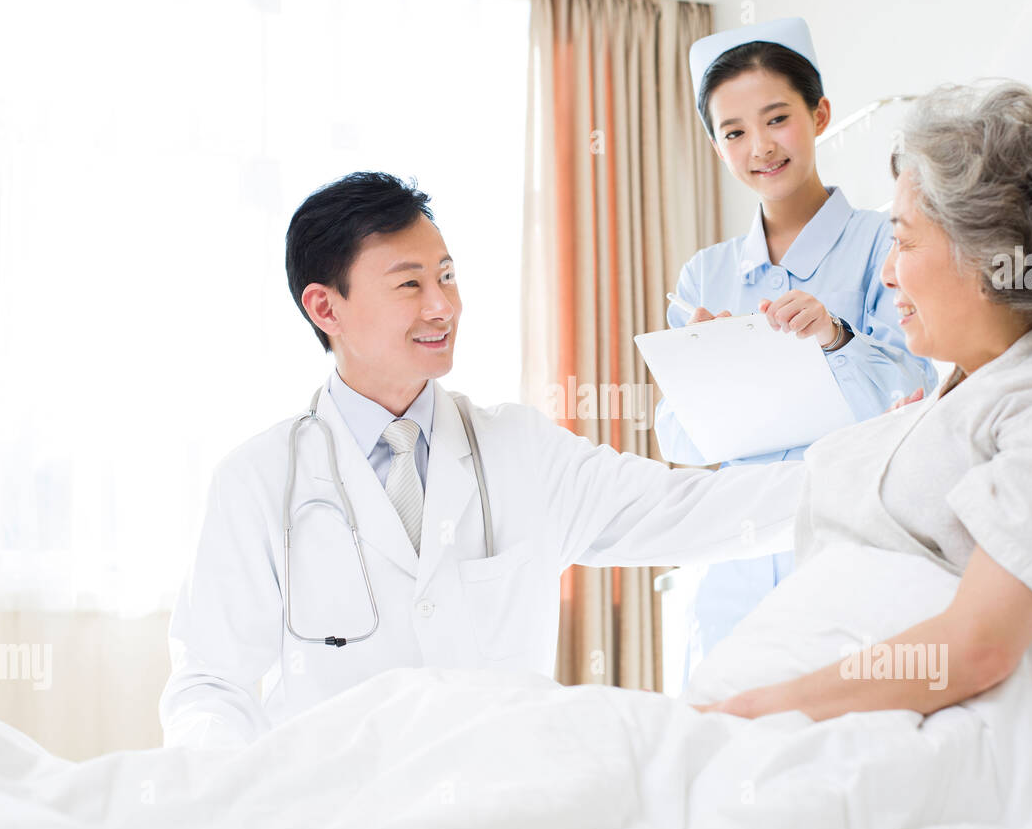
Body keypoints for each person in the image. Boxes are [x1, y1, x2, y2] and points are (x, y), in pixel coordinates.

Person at [159, 171, 805, 750]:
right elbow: (211, 686)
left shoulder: (520, 449)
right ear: (326, 307)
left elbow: (693, 511)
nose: (443, 305)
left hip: (498, 803)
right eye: (409, 284)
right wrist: (232, 798)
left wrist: (881, 463)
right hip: (334, 812)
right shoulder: (258, 481)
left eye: (445, 276)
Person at [694, 81, 1032, 723]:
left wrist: (756, 711)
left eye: (904, 240)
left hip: (911, 729)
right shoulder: (949, 398)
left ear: (993, 259)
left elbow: (975, 648)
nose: (888, 270)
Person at [655, 18, 937, 675]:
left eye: (777, 118)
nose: (759, 146)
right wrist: (719, 375)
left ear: (820, 114)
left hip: (849, 550)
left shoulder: (883, 242)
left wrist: (835, 339)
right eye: (733, 132)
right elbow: (675, 438)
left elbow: (908, 393)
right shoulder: (705, 274)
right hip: (732, 568)